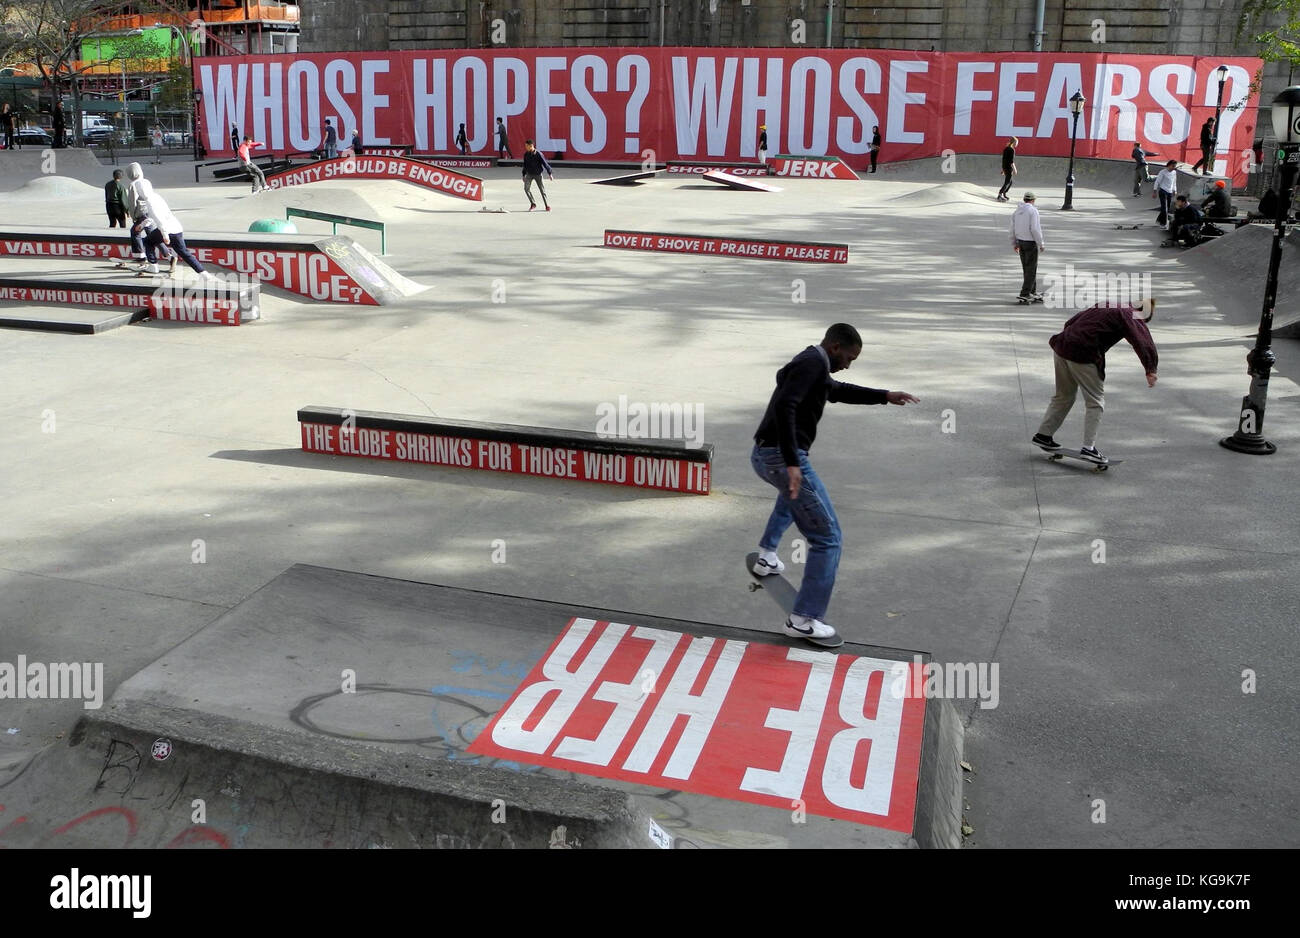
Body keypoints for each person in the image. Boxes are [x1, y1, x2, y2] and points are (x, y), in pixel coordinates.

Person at [750, 323, 919, 645]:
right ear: (835, 346)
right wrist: (792, 462)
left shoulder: (812, 363)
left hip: (765, 455)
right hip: (781, 458)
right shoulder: (813, 363)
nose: (849, 364)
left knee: (794, 498)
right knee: (828, 537)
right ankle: (804, 619)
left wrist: (884, 396)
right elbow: (786, 405)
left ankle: (766, 555)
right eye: (850, 358)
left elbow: (837, 391)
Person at [1032, 299, 1158, 465]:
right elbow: (1142, 339)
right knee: (1095, 401)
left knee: (1063, 396)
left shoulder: (1110, 304)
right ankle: (1088, 449)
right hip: (1084, 352)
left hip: (1063, 345)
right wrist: (1151, 368)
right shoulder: (1130, 314)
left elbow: (1071, 321)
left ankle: (1043, 435)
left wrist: (1073, 338)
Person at [132, 173, 213, 280]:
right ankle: (203, 273)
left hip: (166, 229)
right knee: (183, 252)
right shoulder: (156, 196)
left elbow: (158, 219)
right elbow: (157, 215)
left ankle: (153, 266)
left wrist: (164, 235)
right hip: (176, 227)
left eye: (138, 191)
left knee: (148, 241)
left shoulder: (149, 202)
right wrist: (143, 224)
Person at [1011, 191, 1045, 303]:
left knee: (1027, 268)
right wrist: (1041, 243)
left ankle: (1032, 291)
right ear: (1033, 200)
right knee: (1031, 269)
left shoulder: (1016, 211)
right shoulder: (1033, 211)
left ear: (1024, 199)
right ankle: (1025, 293)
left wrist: (1014, 243)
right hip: (1030, 243)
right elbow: (1035, 229)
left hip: (1020, 242)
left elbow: (1012, 229)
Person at [521, 138, 553, 211]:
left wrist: (550, 173)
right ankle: (533, 204)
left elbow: (545, 164)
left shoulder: (539, 154)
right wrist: (523, 175)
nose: (525, 147)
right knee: (526, 189)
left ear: (531, 146)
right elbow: (525, 165)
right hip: (529, 174)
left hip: (538, 174)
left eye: (527, 146)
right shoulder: (526, 154)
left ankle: (547, 205)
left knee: (542, 190)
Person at [1151, 159, 1177, 227]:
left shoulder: (1174, 172)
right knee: (1164, 208)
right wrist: (1154, 191)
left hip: (1170, 192)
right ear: (1168, 165)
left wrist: (1175, 190)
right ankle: (1163, 223)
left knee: (1167, 208)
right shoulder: (1162, 172)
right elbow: (1157, 182)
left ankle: (1159, 220)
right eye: (1172, 166)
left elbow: (1174, 182)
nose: (1173, 168)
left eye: (1174, 166)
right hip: (1163, 191)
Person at [996, 136, 1018, 201]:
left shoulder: (1006, 148)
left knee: (1010, 182)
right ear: (1014, 142)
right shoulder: (1012, 150)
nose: (1017, 144)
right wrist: (1015, 169)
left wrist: (1003, 169)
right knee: (1007, 182)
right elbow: (1011, 161)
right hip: (1008, 168)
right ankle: (1000, 194)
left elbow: (1004, 159)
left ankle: (1004, 193)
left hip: (1005, 166)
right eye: (1017, 142)